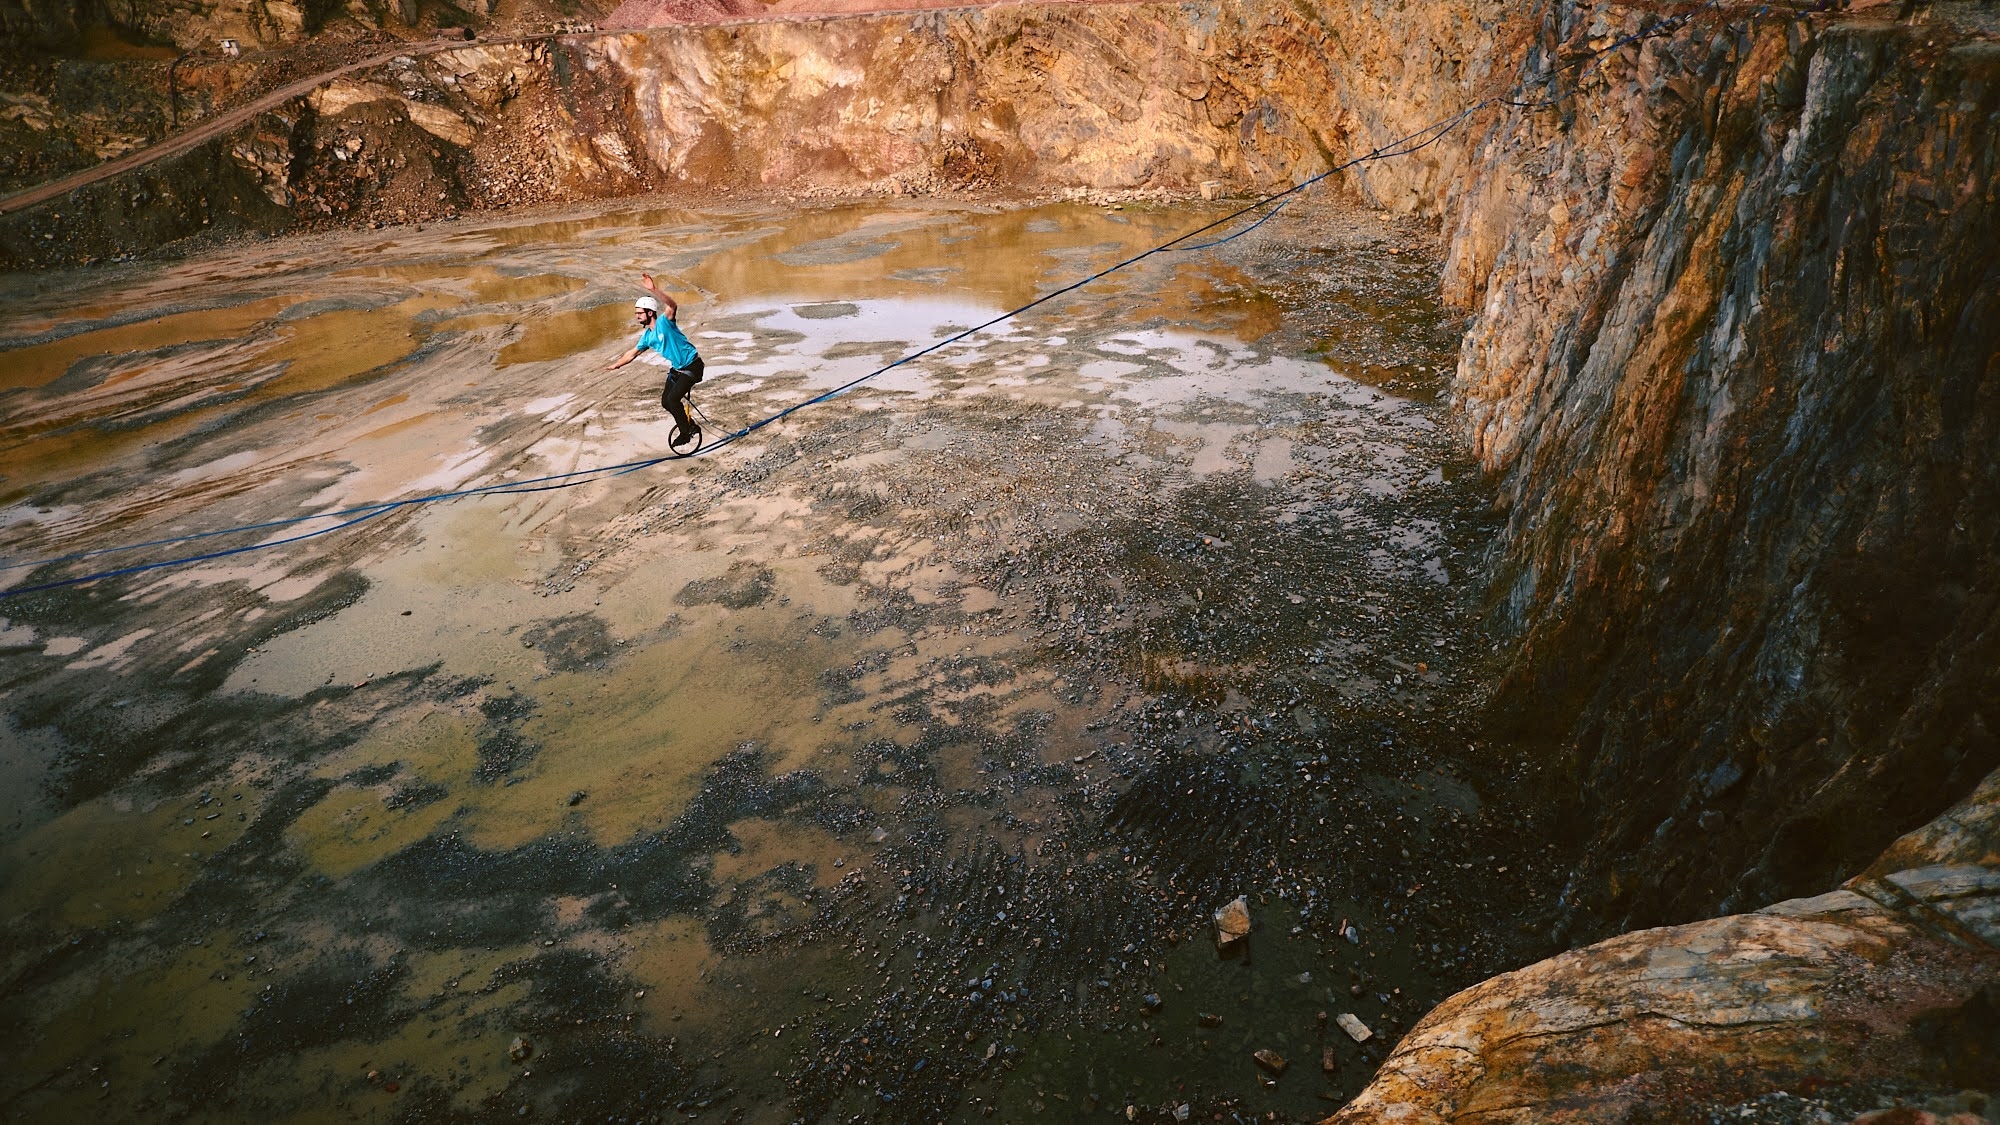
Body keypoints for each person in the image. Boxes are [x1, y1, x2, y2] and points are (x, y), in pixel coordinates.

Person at [606, 272, 705, 449]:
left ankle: (686, 433)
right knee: (666, 402)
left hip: (692, 366)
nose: (637, 316)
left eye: (639, 313)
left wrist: (654, 289)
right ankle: (690, 426)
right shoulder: (648, 336)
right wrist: (616, 365)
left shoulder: (665, 322)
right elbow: (633, 353)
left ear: (650, 312)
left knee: (674, 400)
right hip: (677, 369)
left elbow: (673, 305)